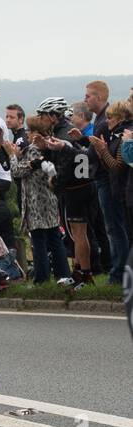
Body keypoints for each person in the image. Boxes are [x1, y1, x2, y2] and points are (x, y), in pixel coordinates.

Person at [35, 96, 96, 285]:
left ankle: (85, 274)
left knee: (77, 233)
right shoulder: (68, 130)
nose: (41, 120)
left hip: (74, 189)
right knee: (78, 233)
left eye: (43, 116)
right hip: (83, 186)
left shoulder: (62, 135)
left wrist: (56, 182)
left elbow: (67, 163)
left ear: (53, 116)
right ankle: (79, 272)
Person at [12, 116, 71, 285]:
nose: (28, 134)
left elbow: (17, 172)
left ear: (37, 134)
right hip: (50, 198)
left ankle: (42, 278)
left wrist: (13, 156)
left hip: (35, 201)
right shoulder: (50, 149)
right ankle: (63, 273)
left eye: (30, 131)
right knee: (54, 237)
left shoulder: (32, 151)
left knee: (38, 241)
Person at [85, 81, 130, 284]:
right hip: (116, 185)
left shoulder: (118, 130)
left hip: (114, 184)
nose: (85, 99)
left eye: (88, 96)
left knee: (115, 229)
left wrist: (100, 150)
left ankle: (118, 273)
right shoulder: (111, 127)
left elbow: (116, 165)